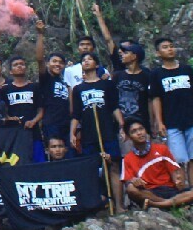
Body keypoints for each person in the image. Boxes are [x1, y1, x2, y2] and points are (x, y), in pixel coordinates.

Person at [150, 36, 193, 186]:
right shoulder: (156, 74)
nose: (170, 49)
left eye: (171, 46)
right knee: (178, 159)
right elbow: (156, 98)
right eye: (165, 47)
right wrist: (159, 122)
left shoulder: (186, 69)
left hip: (191, 119)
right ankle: (182, 193)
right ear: (158, 53)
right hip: (172, 122)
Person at [70, 53, 123, 205]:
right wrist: (72, 133)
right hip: (89, 134)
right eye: (83, 60)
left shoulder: (107, 85)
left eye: (90, 59)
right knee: (91, 169)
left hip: (107, 132)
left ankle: (119, 205)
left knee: (113, 165)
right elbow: (76, 114)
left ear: (97, 64)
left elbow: (114, 107)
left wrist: (122, 126)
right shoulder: (78, 89)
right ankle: (96, 203)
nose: (86, 62)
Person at [121, 119, 193, 209]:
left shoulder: (162, 149)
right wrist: (135, 181)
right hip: (150, 193)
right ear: (129, 137)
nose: (139, 133)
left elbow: (175, 173)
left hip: (170, 190)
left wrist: (178, 181)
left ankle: (159, 205)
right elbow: (128, 183)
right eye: (134, 131)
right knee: (131, 189)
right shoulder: (127, 159)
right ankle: (176, 204)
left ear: (145, 130)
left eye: (141, 129)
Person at [35, 18, 72, 159]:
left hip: (65, 124)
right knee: (53, 155)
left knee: (67, 156)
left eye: (61, 62)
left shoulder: (64, 82)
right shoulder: (46, 78)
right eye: (54, 61)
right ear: (49, 64)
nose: (58, 64)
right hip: (51, 123)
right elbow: (39, 58)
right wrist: (40, 34)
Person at [113, 41, 153, 152]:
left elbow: (150, 101)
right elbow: (113, 102)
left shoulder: (147, 76)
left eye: (126, 53)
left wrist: (152, 124)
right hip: (122, 124)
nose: (122, 55)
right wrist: (121, 125)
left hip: (142, 123)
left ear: (134, 56)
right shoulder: (117, 76)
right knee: (128, 158)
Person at [1, 56, 39, 129]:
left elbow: (41, 109)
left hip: (33, 130)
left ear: (26, 68)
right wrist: (8, 118)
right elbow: (2, 110)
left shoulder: (34, 87)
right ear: (10, 71)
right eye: (15, 65)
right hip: (13, 130)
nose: (19, 66)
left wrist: (33, 121)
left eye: (22, 64)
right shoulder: (4, 89)